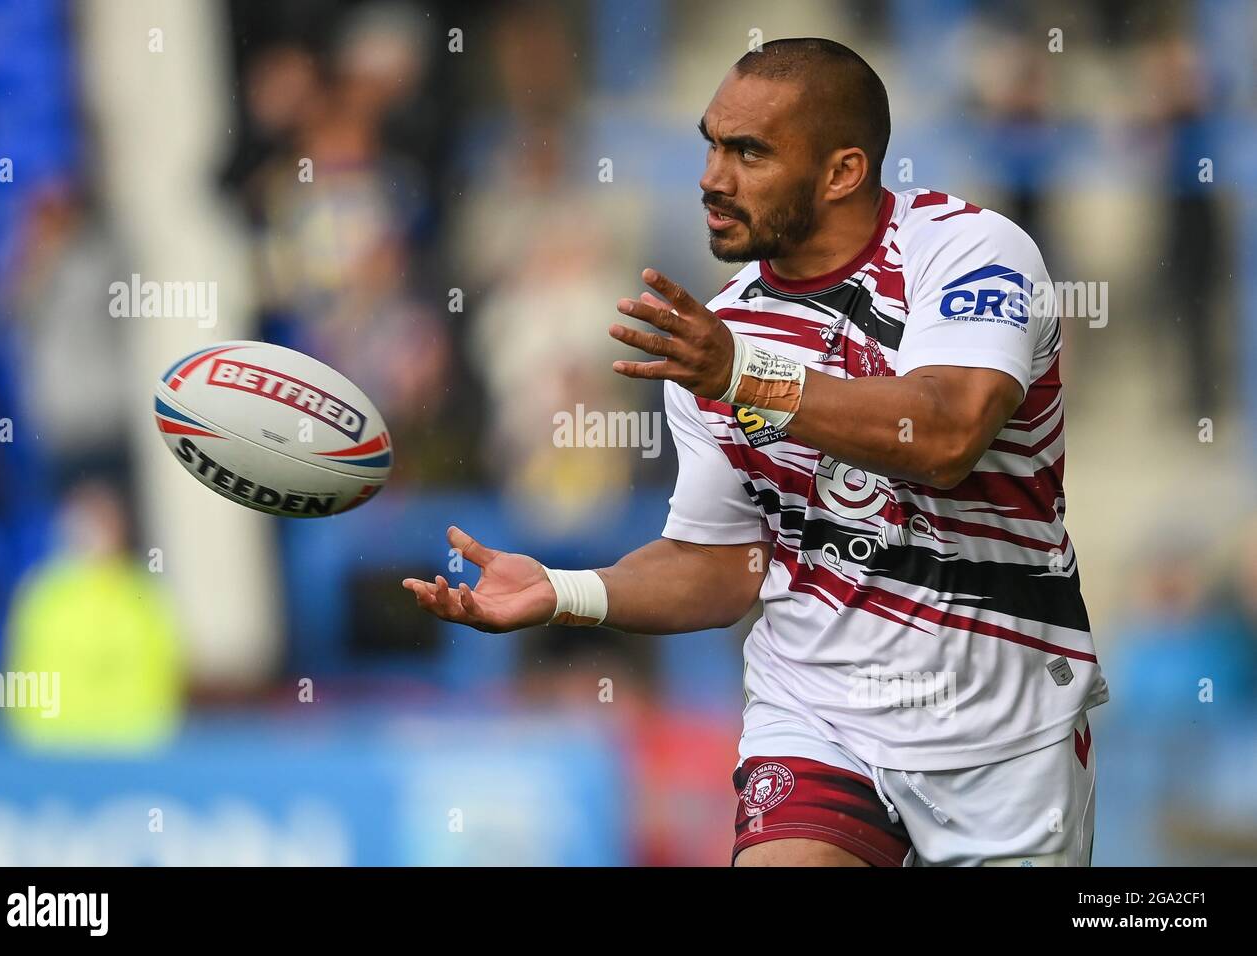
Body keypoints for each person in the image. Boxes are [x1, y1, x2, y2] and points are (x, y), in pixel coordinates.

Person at [404, 38, 1108, 867]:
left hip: (999, 719)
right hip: (815, 715)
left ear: (843, 171)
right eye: (710, 143)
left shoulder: (968, 252)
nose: (711, 177)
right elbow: (724, 567)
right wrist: (562, 591)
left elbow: (948, 433)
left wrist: (743, 376)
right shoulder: (718, 331)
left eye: (749, 153)